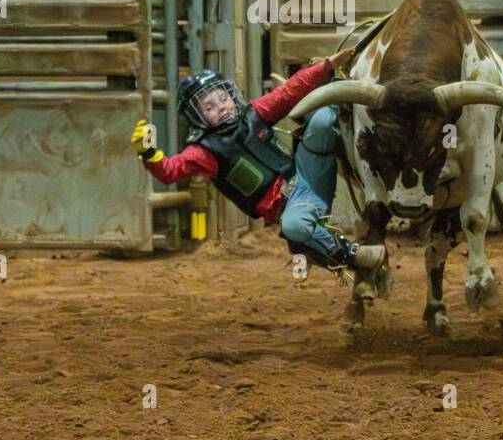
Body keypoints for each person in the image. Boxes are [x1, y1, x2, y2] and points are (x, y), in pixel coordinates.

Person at [131, 53, 387, 275]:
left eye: (222, 98)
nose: (220, 107)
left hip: (308, 171)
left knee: (322, 118)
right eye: (208, 107)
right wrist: (149, 153)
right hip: (295, 204)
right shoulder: (203, 152)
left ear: (232, 94)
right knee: (293, 225)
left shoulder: (255, 112)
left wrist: (325, 67)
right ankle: (352, 254)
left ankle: (373, 165)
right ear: (198, 117)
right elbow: (169, 171)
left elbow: (288, 92)